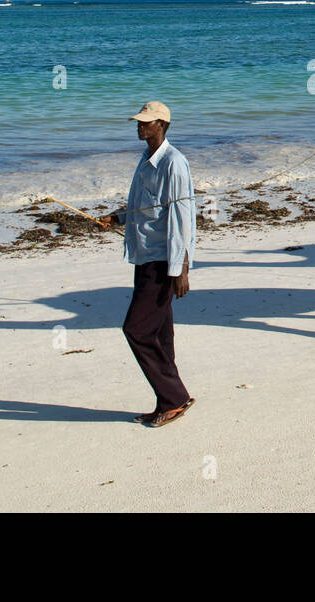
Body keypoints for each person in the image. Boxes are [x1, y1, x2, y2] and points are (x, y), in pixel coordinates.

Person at [99, 100, 196, 428]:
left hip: (162, 260)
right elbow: (143, 206)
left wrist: (181, 268)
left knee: (136, 329)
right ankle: (168, 400)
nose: (139, 127)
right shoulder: (145, 160)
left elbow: (183, 217)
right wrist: (116, 217)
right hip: (143, 255)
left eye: (146, 122)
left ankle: (174, 397)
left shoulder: (174, 163)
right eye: (138, 122)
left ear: (162, 126)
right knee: (160, 333)